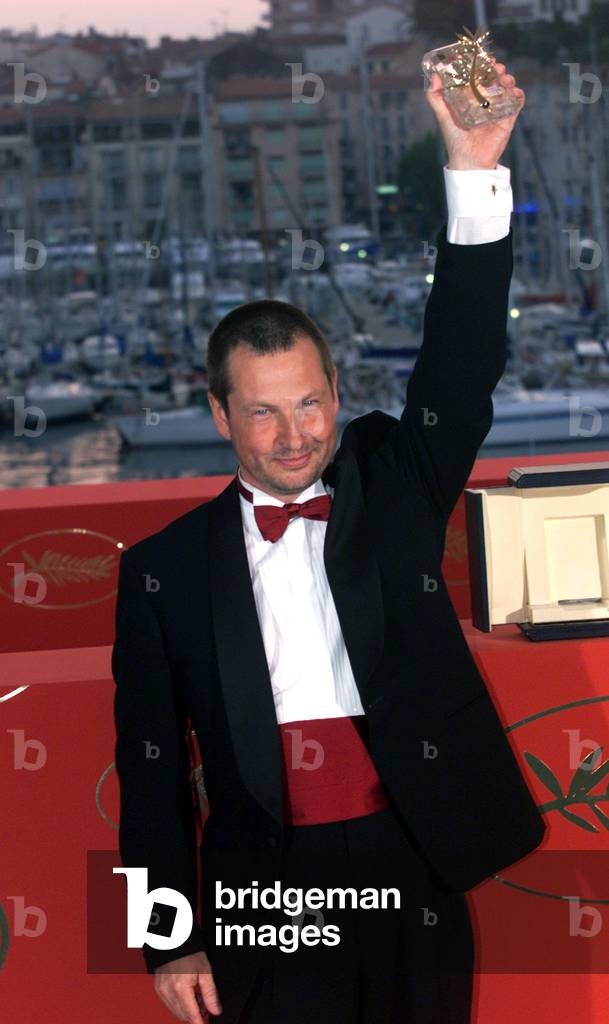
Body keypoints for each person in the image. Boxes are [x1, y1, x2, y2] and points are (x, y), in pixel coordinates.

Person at [112, 63, 545, 1023]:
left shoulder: (394, 485)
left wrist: (474, 170)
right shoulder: (160, 572)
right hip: (261, 890)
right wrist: (165, 934)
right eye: (263, 412)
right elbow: (148, 771)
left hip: (411, 855)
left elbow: (461, 360)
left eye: (309, 404)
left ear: (337, 394)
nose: (293, 435)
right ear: (220, 414)